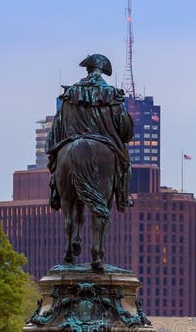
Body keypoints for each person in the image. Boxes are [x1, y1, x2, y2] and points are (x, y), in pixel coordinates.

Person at [46, 54, 133, 213]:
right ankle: (123, 196)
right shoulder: (112, 94)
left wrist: (53, 149)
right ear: (102, 71)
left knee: (57, 162)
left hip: (72, 139)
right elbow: (125, 129)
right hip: (106, 142)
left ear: (88, 70)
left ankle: (55, 193)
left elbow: (56, 127)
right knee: (125, 164)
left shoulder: (70, 93)